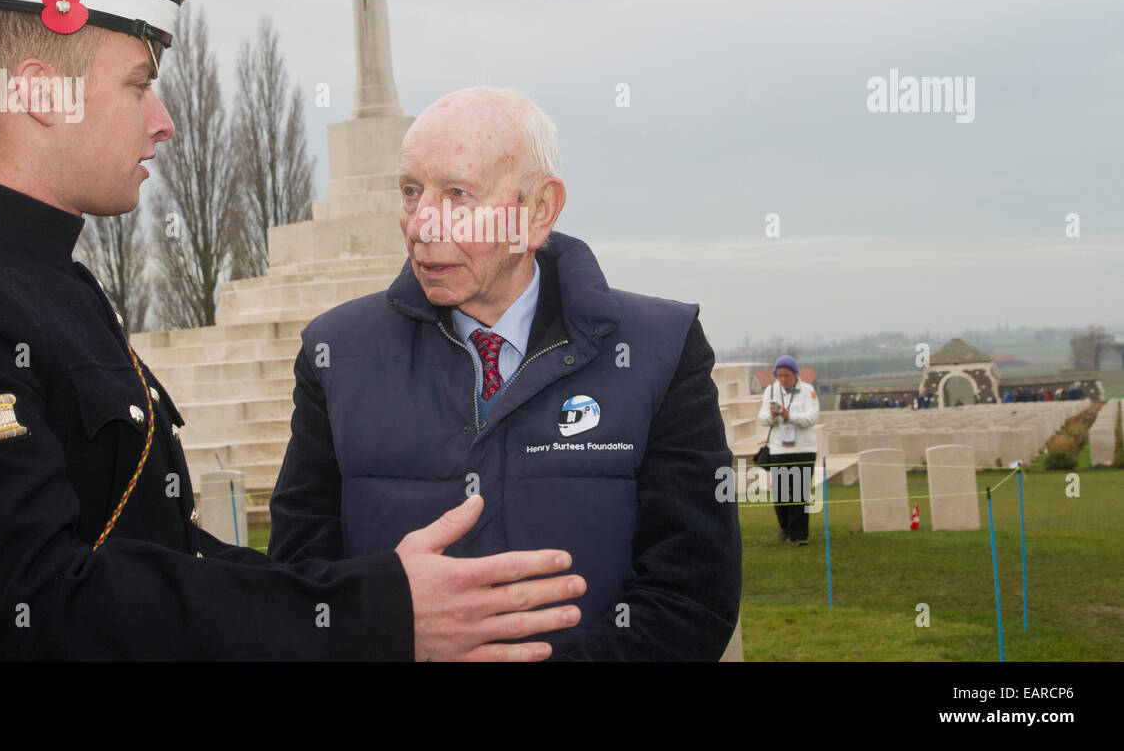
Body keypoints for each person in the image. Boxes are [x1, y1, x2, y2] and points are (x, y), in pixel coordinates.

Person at [0, 0, 587, 661]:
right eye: (138, 84)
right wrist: (379, 613)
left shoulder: (42, 287)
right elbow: (47, 601)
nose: (163, 123)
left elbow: (167, 558)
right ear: (42, 93)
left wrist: (374, 592)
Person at [267, 87, 742, 661]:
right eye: (412, 192)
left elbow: (692, 595)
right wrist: (384, 622)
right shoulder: (334, 354)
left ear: (539, 211)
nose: (421, 224)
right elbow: (298, 586)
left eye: (457, 195)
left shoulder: (660, 348)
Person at [756, 355, 820, 545]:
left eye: (787, 375)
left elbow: (811, 417)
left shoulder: (808, 390)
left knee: (800, 493)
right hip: (779, 450)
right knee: (781, 493)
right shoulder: (771, 391)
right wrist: (773, 416)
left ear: (795, 374)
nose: (783, 380)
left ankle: (799, 535)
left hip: (803, 448)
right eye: (780, 376)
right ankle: (784, 525)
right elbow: (762, 418)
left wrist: (789, 415)